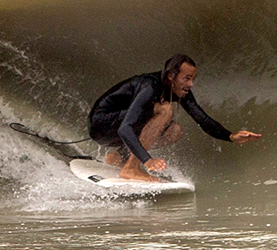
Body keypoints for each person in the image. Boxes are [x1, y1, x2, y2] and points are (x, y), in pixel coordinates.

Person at [88, 54, 261, 182]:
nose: (190, 84)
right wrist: (147, 160)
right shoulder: (150, 87)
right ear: (171, 76)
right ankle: (131, 168)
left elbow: (202, 118)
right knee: (165, 110)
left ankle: (119, 158)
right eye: (186, 78)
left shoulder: (179, 90)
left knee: (175, 131)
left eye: (192, 79)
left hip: (120, 127)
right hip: (101, 124)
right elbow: (125, 128)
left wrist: (230, 136)